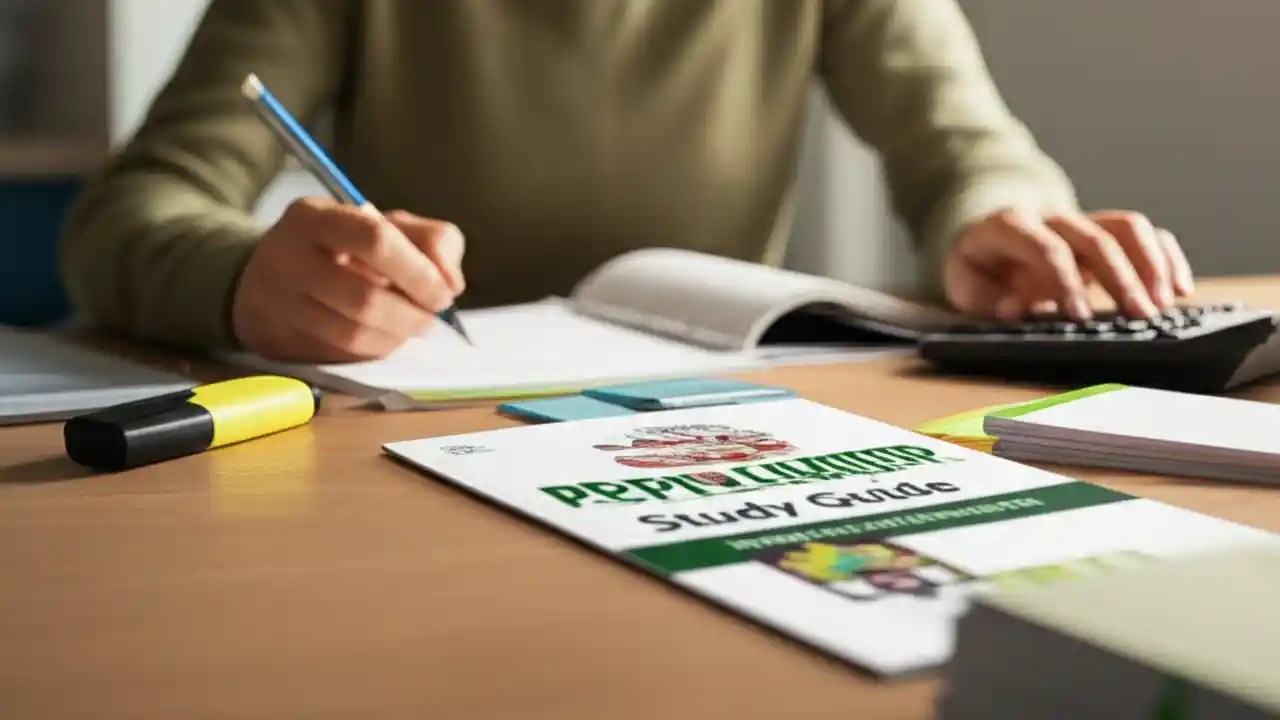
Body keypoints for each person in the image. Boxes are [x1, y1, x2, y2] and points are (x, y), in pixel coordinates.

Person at [61, 0, 1194, 362]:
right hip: (398, 435)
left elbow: (962, 140)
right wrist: (241, 276)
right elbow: (134, 208)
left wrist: (1002, 221)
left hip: (711, 420)